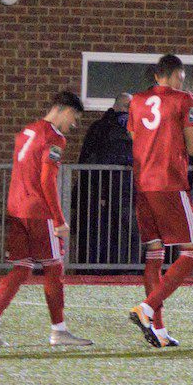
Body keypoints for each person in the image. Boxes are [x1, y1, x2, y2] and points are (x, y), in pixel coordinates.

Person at [0, 91, 92, 347]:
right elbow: (47, 181)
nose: (73, 125)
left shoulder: (27, 131)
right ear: (64, 110)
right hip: (38, 211)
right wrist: (59, 219)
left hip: (16, 207)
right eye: (74, 118)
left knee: (22, 267)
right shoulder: (54, 138)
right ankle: (59, 331)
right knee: (54, 267)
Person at [126, 54, 193, 348]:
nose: (181, 83)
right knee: (192, 253)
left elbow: (134, 135)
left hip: (143, 183)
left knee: (154, 254)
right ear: (173, 76)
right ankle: (146, 308)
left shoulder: (136, 100)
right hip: (169, 181)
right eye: (180, 78)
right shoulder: (184, 100)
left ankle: (158, 330)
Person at [73, 93, 132, 266]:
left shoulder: (101, 127)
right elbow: (99, 160)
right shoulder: (108, 129)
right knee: (103, 237)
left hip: (112, 193)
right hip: (106, 193)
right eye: (128, 107)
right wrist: (100, 192)